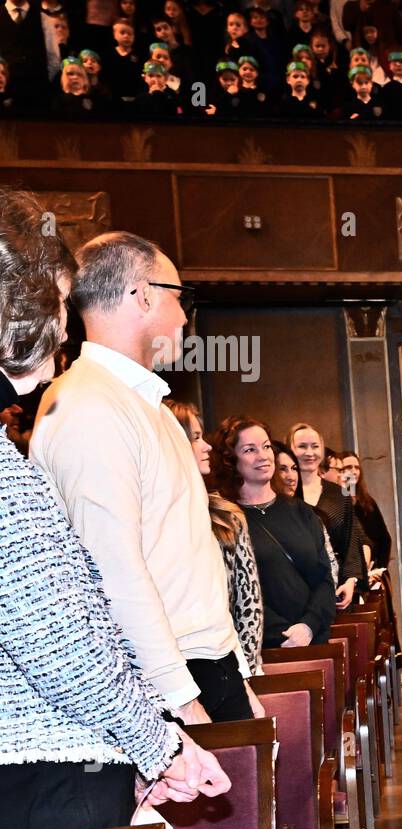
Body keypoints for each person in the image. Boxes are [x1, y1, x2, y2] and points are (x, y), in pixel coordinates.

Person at [0, 187, 229, 829]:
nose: (67, 327)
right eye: (55, 303)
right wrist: (160, 739)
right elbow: (56, 630)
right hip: (38, 778)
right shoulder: (85, 407)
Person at [31, 231, 260, 726]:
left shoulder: (145, 403)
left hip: (205, 662)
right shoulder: (88, 404)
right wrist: (178, 695)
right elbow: (112, 567)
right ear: (144, 295)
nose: (184, 317)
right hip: (160, 678)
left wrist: (234, 670)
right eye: (181, 299)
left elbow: (184, 556)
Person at [212, 417, 338, 649]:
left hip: (314, 642)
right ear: (230, 460)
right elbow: (228, 592)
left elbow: (324, 579)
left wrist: (308, 626)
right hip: (261, 648)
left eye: (266, 446)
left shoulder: (302, 512)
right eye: (250, 450)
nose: (263, 455)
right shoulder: (223, 518)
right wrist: (282, 635)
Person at [164, 399, 265, 674]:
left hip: (227, 665)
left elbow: (249, 607)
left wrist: (246, 675)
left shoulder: (225, 516)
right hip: (170, 668)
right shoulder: (153, 520)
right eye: (196, 438)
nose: (207, 446)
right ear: (175, 443)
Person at [288, 421, 365, 609]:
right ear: (290, 450)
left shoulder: (340, 494)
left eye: (315, 446)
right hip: (295, 591)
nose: (309, 452)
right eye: (302, 446)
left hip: (336, 588)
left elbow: (351, 542)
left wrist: (350, 581)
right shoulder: (282, 496)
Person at [338, 448, 392, 572]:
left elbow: (385, 538)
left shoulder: (367, 501)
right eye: (348, 467)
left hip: (371, 568)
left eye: (357, 467)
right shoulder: (337, 500)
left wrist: (380, 568)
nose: (354, 471)